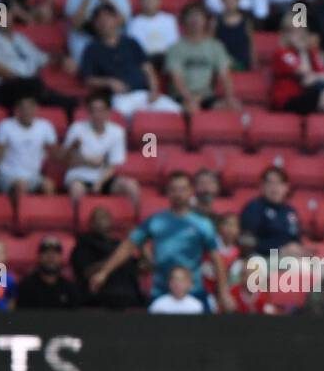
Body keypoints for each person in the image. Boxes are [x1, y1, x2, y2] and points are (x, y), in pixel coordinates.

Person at [88, 171, 231, 309]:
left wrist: (224, 292)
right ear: (168, 192)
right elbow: (129, 245)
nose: (178, 194)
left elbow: (216, 259)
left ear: (190, 192)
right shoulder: (156, 221)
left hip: (193, 291)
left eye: (182, 189)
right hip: (161, 291)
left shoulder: (202, 224)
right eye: (173, 189)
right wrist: (104, 272)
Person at [78, 4, 182, 117]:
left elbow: (148, 68)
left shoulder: (131, 43)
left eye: (108, 18)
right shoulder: (92, 49)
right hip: (119, 98)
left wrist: (154, 89)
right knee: (122, 117)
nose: (104, 22)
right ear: (95, 24)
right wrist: (109, 82)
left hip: (144, 93)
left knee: (176, 111)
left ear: (117, 20)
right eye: (100, 19)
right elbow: (88, 79)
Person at [61, 92, 139, 204]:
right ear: (88, 112)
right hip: (79, 176)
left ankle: (135, 220)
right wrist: (85, 159)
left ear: (108, 112)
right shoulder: (76, 129)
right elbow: (65, 160)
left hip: (104, 178)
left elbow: (113, 166)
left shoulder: (117, 132)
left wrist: (99, 184)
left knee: (132, 186)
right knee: (76, 189)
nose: (97, 114)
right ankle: (77, 220)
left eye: (101, 110)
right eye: (93, 110)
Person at [270, 17, 324, 118]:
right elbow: (304, 73)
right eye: (293, 30)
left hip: (307, 97)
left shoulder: (311, 52)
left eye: (301, 29)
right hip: (288, 101)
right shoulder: (282, 53)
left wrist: (314, 77)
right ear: (285, 34)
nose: (299, 34)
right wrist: (301, 51)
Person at [164, 3, 238, 111]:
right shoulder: (175, 48)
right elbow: (176, 79)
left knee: (232, 108)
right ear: (184, 21)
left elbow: (225, 76)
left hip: (207, 96)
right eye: (191, 16)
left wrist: (229, 98)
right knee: (191, 109)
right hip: (182, 98)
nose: (195, 20)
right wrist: (190, 98)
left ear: (205, 20)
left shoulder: (215, 46)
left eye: (199, 16)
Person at [73, 204, 145, 309]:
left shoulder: (119, 245)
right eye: (98, 217)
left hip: (129, 302)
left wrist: (139, 242)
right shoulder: (83, 245)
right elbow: (85, 272)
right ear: (90, 223)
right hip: (100, 303)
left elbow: (145, 267)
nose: (102, 220)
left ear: (111, 221)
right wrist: (116, 260)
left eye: (105, 216)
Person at [0, 94, 59, 195]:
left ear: (36, 109)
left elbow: (55, 152)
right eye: (23, 108)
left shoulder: (45, 126)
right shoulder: (5, 125)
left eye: (31, 107)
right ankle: (18, 211)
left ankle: (45, 211)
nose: (27, 111)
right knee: (21, 186)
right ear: (17, 110)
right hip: (8, 174)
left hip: (33, 175)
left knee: (49, 185)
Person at [239, 167, 302, 255]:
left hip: (288, 258)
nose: (274, 187)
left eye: (279, 183)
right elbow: (246, 241)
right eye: (270, 183)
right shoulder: (253, 208)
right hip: (261, 257)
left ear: (286, 187)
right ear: (262, 186)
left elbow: (296, 239)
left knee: (310, 265)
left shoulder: (290, 211)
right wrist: (278, 250)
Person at [17, 236, 81, 310]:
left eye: (55, 253)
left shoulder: (70, 289)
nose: (51, 257)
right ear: (39, 257)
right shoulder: (26, 286)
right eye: (46, 252)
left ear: (61, 258)